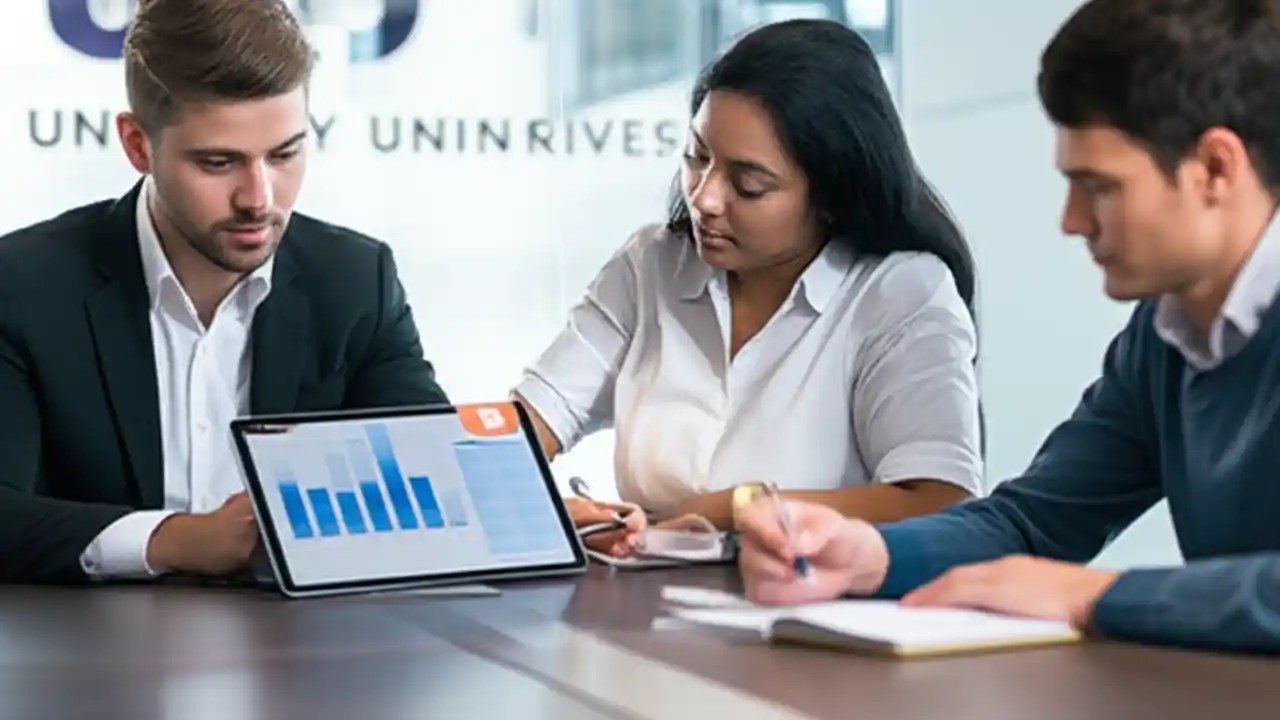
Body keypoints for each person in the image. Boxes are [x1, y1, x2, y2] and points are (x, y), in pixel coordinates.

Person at [736, 0, 1280, 656]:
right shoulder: (1165, 335)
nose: (1072, 221)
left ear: (1216, 169)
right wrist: (866, 553)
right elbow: (1033, 521)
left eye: (1099, 186)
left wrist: (1090, 595)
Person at [0, 0, 448, 584]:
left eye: (285, 154)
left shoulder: (356, 280)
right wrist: (177, 538)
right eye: (218, 162)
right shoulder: (25, 284)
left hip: (310, 661)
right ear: (138, 145)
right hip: (89, 659)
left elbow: (433, 475)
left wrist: (540, 514)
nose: (259, 197)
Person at [513, 19, 984, 556]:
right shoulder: (650, 267)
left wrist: (735, 506)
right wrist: (546, 508)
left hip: (814, 615)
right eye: (697, 158)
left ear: (833, 193)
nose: (706, 199)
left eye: (749, 185)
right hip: (645, 609)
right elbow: (524, 428)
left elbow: (940, 501)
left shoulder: (899, 292)